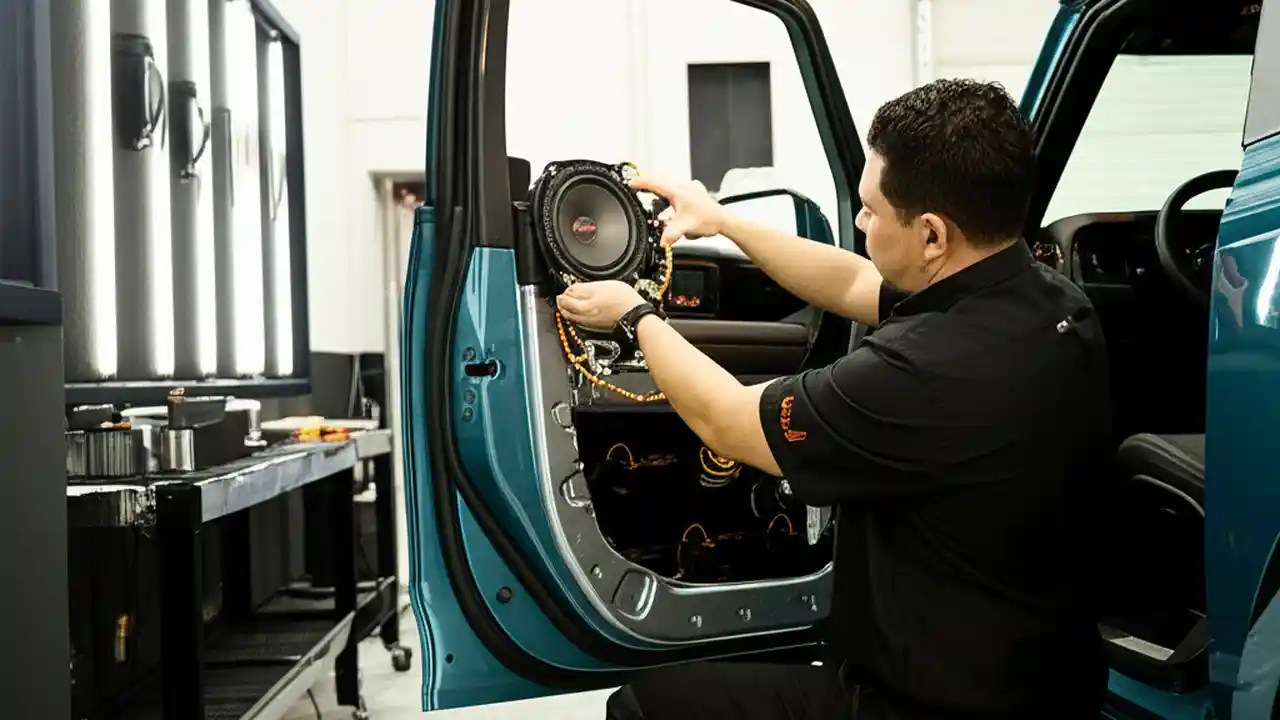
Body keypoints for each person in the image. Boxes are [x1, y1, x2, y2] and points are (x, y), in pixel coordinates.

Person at [556, 79, 1112, 719]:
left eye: (871, 210)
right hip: (1047, 684)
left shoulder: (920, 371)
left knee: (643, 707)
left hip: (922, 706)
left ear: (932, 235)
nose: (858, 220)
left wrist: (635, 318)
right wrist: (724, 220)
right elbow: (854, 280)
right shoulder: (1049, 302)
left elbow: (728, 422)